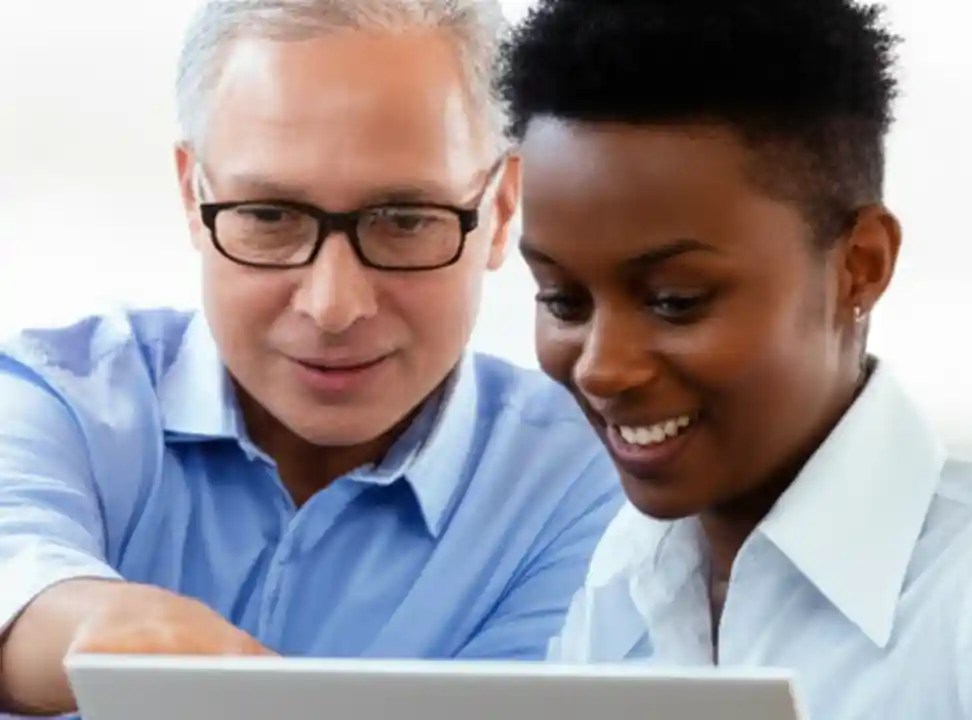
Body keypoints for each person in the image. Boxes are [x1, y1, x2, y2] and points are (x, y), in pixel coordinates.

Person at [501, 0, 972, 717]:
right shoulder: (625, 578)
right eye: (563, 300)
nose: (600, 367)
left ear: (859, 267)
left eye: (676, 300)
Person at [0, 1, 621, 716]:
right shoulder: (55, 403)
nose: (333, 306)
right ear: (190, 192)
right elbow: (19, 572)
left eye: (405, 221)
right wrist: (106, 634)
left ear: (504, 209)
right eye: (269, 216)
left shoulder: (588, 491)